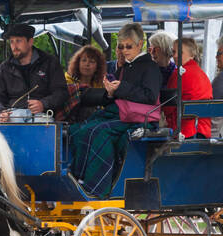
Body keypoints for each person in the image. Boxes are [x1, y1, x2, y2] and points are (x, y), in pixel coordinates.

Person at [67, 23, 163, 196]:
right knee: (77, 129)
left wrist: (120, 88)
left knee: (97, 131)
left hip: (140, 118)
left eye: (129, 46)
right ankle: (77, 176)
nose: (124, 50)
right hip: (120, 113)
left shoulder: (150, 67)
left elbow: (149, 95)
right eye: (121, 46)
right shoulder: (125, 66)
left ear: (139, 44)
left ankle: (95, 186)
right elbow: (118, 94)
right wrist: (111, 92)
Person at [0, 23, 68, 121]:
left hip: (42, 113)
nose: (14, 46)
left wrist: (43, 104)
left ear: (30, 42)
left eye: (18, 41)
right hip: (14, 113)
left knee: (42, 122)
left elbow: (61, 93)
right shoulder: (4, 68)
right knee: (13, 120)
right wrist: (1, 112)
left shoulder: (49, 62)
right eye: (12, 41)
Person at [161, 37, 213, 138]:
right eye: (174, 52)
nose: (175, 56)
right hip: (204, 130)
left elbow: (168, 107)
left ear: (192, 55)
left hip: (185, 131)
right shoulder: (202, 74)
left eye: (180, 53)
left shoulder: (180, 74)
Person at [62, 44, 107, 123]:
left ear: (98, 66)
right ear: (77, 63)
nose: (87, 64)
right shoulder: (66, 80)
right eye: (84, 60)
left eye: (92, 61)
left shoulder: (102, 84)